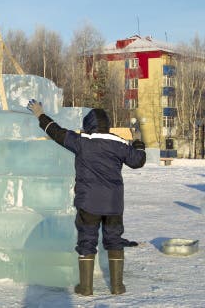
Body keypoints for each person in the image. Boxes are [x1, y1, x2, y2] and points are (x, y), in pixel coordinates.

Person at [27, 100, 146, 296]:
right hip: (114, 204)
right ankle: (117, 287)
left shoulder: (82, 142)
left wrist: (40, 115)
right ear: (106, 124)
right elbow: (138, 160)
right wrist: (138, 141)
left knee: (87, 241)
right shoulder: (120, 144)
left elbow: (56, 132)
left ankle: (86, 287)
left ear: (88, 124)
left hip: (88, 203)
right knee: (114, 239)